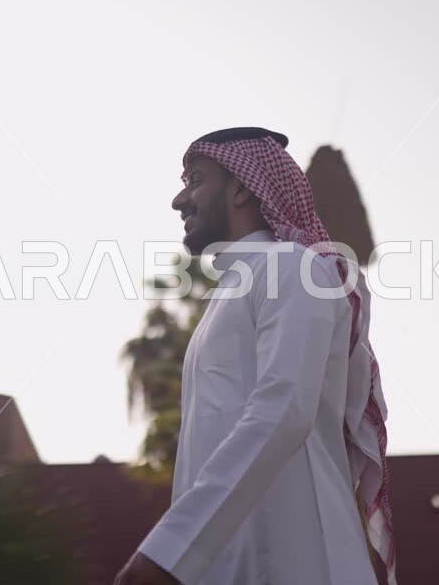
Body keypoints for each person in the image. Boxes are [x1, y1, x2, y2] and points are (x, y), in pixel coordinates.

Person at [114, 127, 396, 585]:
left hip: (298, 560)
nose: (179, 200)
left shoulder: (293, 267)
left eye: (196, 180)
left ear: (243, 187)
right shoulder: (230, 293)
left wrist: (169, 553)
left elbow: (283, 409)